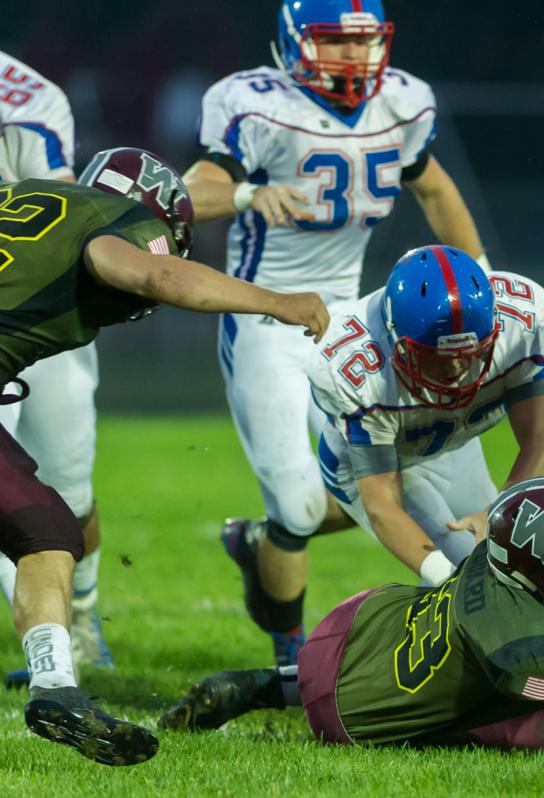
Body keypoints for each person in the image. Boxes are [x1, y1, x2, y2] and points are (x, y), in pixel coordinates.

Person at [183, 0, 488, 666]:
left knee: (392, 475)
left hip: (352, 319)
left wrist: (482, 277)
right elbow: (187, 193)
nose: (354, 58)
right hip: (266, 316)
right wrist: (242, 194)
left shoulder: (401, 102)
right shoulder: (257, 105)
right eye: (334, 42)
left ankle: (259, 545)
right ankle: (291, 655)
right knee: (297, 505)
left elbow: (434, 190)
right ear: (295, 43)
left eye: (364, 42)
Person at [0, 146, 328, 764]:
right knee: (44, 534)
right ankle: (54, 689)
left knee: (44, 527)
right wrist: (278, 302)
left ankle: (55, 690)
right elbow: (156, 276)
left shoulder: (31, 198)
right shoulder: (122, 221)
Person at [161, 477, 544, 753]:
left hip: (352, 626)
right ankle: (282, 690)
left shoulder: (507, 558)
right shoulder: (528, 651)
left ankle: (262, 685)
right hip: (350, 714)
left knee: (504, 695)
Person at [221, 246, 544, 649]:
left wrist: (497, 513)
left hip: (451, 443)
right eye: (437, 357)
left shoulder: (525, 321)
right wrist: (443, 576)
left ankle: (269, 540)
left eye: (468, 353)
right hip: (370, 456)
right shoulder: (356, 366)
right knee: (465, 574)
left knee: (505, 564)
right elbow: (383, 504)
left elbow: (541, 439)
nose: (455, 370)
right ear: (397, 341)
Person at [0, 49, 117, 684]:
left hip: (31, 311)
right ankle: (50, 649)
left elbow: (59, 226)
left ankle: (87, 610)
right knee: (13, 505)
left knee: (68, 493)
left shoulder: (28, 97)